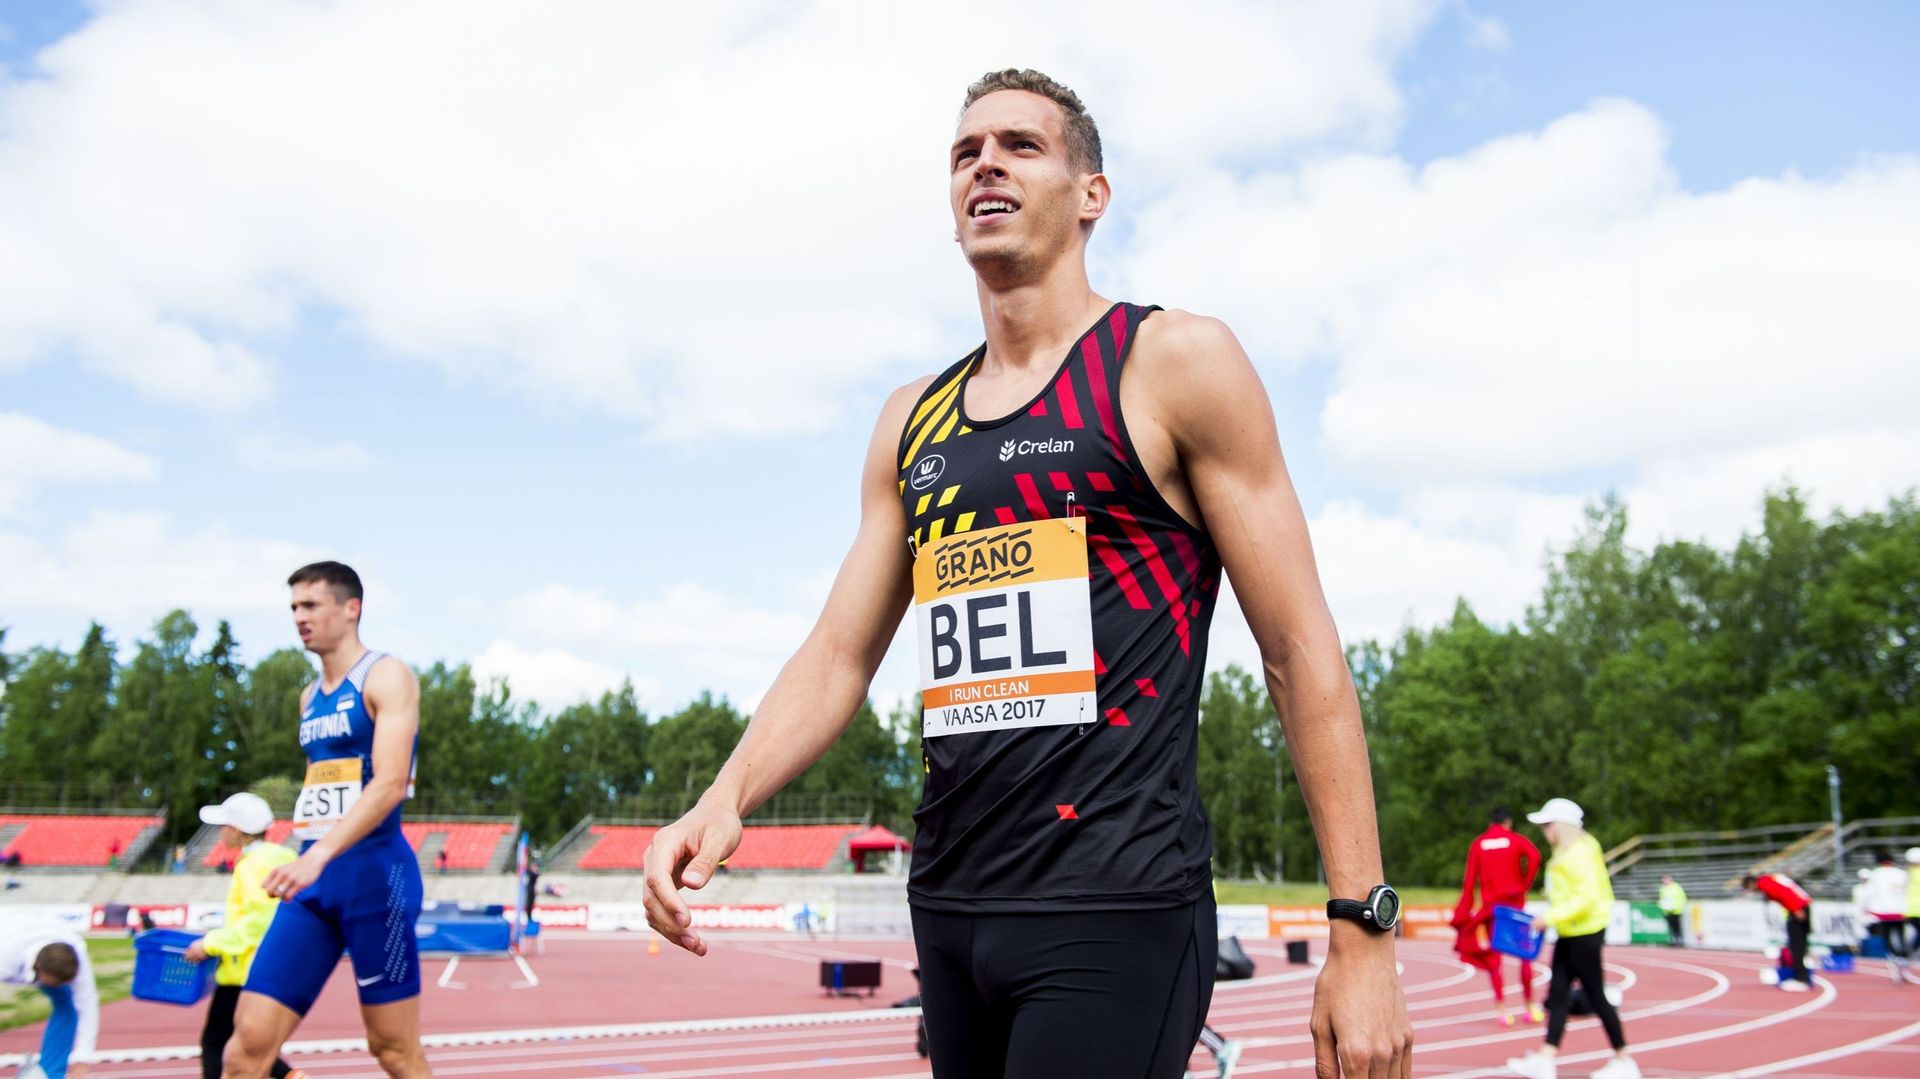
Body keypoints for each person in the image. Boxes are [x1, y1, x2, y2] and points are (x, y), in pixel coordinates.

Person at [639, 67, 1411, 1079]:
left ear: (1092, 192)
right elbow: (838, 652)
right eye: (965, 152)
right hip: (951, 906)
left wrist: (1361, 924)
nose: (985, 163)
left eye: (1019, 144)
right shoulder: (913, 418)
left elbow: (1300, 648)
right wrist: (725, 793)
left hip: (1114, 900)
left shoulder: (1173, 363)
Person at [222, 561, 429, 1079]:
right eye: (293, 606)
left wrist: (317, 854)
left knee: (392, 1049)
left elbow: (389, 783)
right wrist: (308, 851)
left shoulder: (386, 675)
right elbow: (325, 785)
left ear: (350, 608)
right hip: (314, 885)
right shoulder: (309, 698)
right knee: (245, 1050)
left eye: (310, 605)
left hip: (378, 880)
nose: (298, 617)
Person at [1506, 799, 1638, 1079]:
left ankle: (1624, 1059)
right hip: (1571, 931)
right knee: (1557, 996)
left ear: (1563, 826)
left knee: (1595, 996)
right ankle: (1547, 1058)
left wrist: (1549, 918)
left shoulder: (1578, 854)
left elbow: (1586, 898)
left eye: (1548, 825)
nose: (1544, 831)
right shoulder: (1576, 849)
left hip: (1584, 933)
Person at [184, 793, 302, 1079]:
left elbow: (257, 920)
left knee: (215, 1042)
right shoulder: (281, 858)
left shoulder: (251, 866)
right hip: (266, 966)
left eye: (223, 826)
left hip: (245, 970)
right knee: (248, 1043)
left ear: (236, 830)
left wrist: (210, 943)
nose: (220, 831)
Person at [1452, 806, 1544, 1026]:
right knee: (1524, 956)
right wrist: (1524, 884)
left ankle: (1502, 1010)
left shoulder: (1478, 844)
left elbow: (1469, 881)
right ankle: (1530, 1007)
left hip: (1493, 909)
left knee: (1495, 960)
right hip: (1514, 907)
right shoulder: (1515, 840)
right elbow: (1534, 856)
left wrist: (1464, 909)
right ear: (1508, 822)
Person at [0, 911, 98, 1079]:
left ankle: (51, 1074)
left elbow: (87, 1007)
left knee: (68, 1007)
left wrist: (82, 1060)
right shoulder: (6, 957)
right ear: (38, 968)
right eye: (55, 982)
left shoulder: (77, 955)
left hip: (45, 935)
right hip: (9, 937)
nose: (59, 985)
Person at [1743, 870, 1814, 991]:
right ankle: (1802, 977)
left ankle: (1801, 979)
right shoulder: (1769, 879)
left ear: (1751, 883)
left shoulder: (1765, 884)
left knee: (1796, 946)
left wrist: (1796, 909)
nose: (1752, 891)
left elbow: (1784, 894)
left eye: (1749, 888)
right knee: (1799, 945)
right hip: (1801, 905)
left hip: (1798, 908)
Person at [1859, 849, 1910, 983]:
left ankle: (1895, 960)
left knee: (1887, 940)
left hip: (1883, 912)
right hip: (1900, 911)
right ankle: (1903, 962)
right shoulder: (1902, 873)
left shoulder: (1876, 874)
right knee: (1901, 937)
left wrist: (1864, 909)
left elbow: (1868, 893)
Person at [1658, 874, 1688, 948]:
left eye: (1666, 879)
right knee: (1671, 926)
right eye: (1664, 879)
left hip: (1676, 910)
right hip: (1667, 911)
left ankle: (1679, 940)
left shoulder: (1676, 887)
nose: (1665, 881)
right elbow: (1662, 899)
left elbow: (1682, 897)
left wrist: (1678, 906)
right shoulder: (1662, 888)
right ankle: (1673, 940)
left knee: (1677, 926)